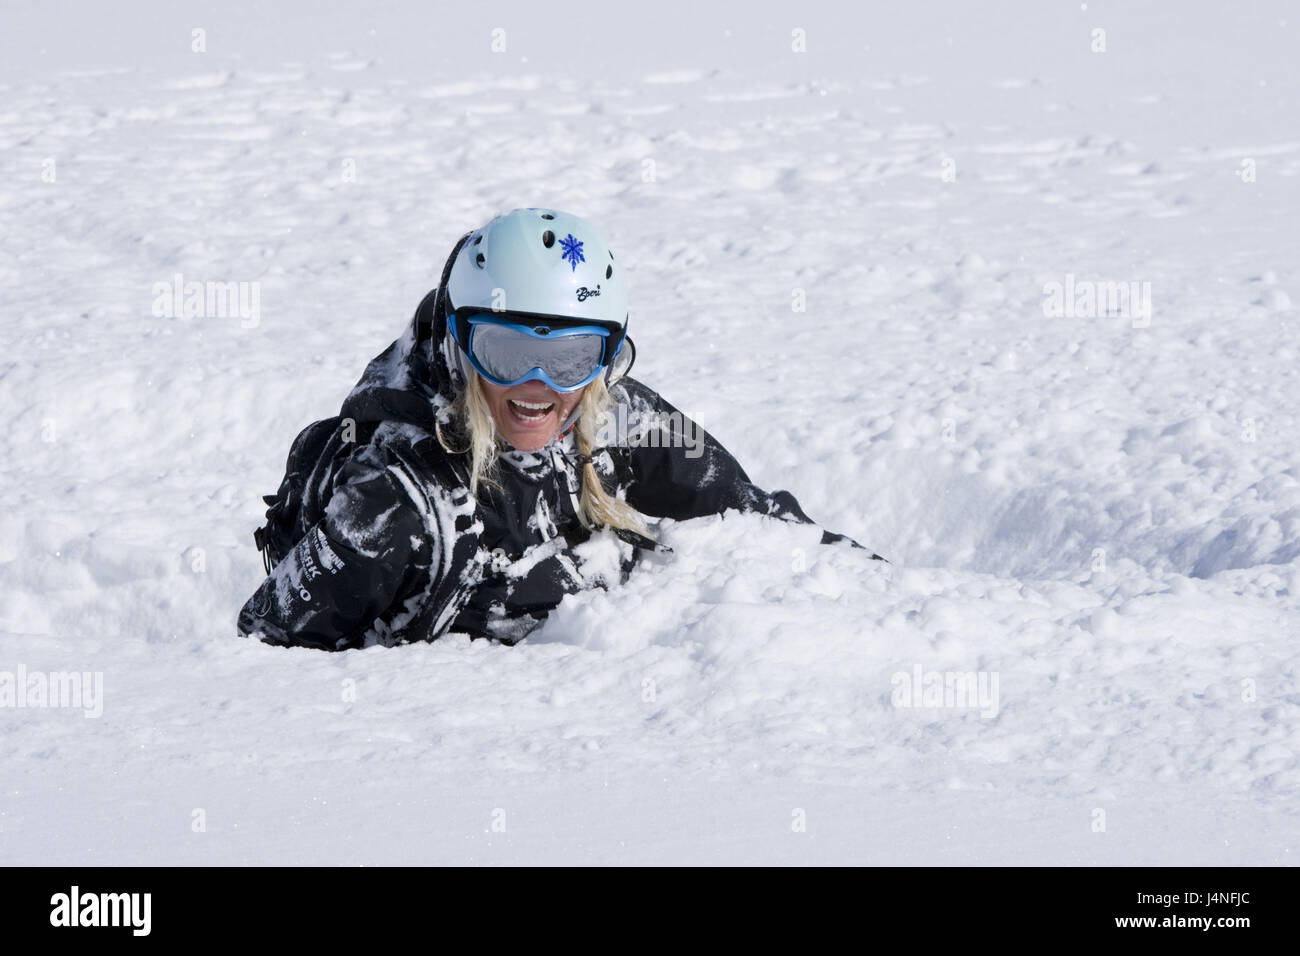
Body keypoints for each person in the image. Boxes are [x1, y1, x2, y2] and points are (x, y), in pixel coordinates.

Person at [237, 208, 876, 651]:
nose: (538, 385)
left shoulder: (618, 419)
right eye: (508, 352)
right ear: (461, 347)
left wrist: (896, 602)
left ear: (604, 359)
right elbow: (267, 648)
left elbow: (763, 525)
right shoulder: (395, 503)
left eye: (570, 357)